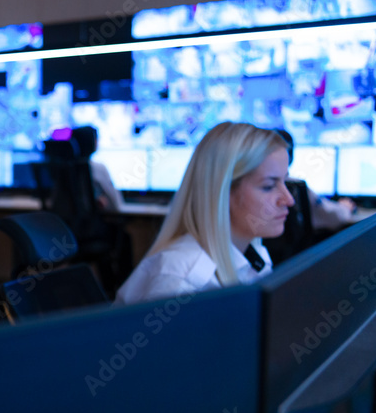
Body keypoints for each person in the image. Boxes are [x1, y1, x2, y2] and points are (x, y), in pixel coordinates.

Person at [115, 122, 295, 305]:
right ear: (221, 193)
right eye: (269, 186)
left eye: (285, 182)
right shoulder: (182, 282)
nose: (289, 200)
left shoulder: (255, 259)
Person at [274, 129, 357, 232]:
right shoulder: (296, 186)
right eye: (267, 186)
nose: (289, 200)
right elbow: (333, 216)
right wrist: (345, 208)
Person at [72, 125, 125, 213]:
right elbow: (116, 203)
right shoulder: (98, 168)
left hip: (63, 224)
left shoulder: (63, 168)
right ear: (93, 142)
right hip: (92, 224)